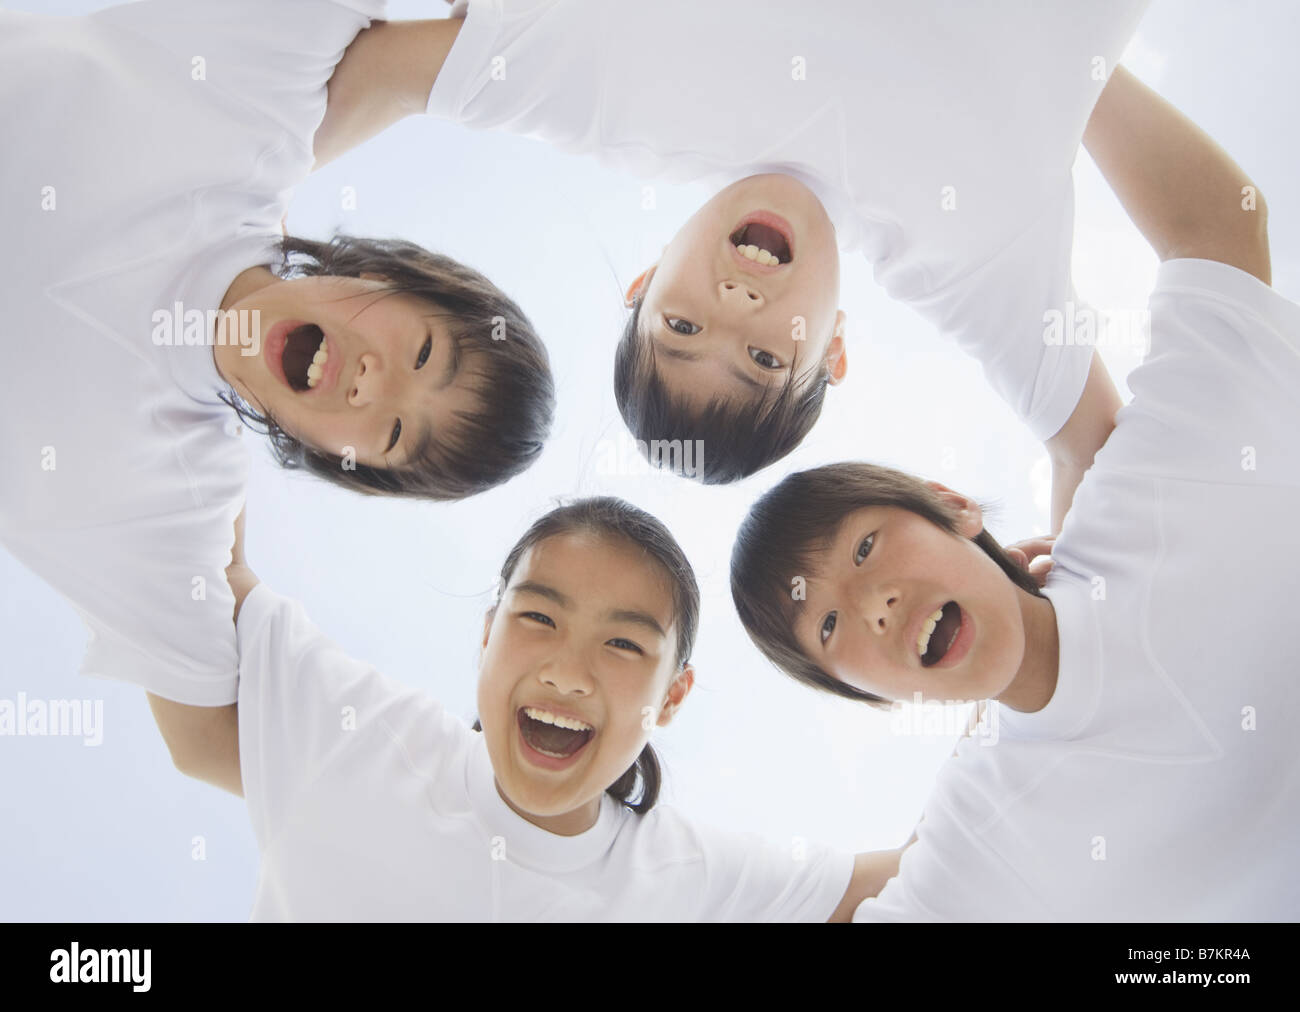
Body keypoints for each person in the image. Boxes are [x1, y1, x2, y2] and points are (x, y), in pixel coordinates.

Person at [729, 66, 1298, 919]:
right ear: (869, 694)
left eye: (866, 549)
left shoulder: (1137, 500)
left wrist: (1063, 56)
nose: (876, 602)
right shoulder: (976, 842)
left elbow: (1219, 230)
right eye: (832, 626)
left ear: (951, 503)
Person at [0, 1, 553, 709]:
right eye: (420, 352)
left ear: (333, 455)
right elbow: (429, 61)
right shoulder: (245, 112)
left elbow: (211, 739)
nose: (370, 386)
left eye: (390, 434)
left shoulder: (171, 505)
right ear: (386, 280)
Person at [424, 0, 1147, 516]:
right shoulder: (961, 260)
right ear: (832, 351)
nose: (737, 307)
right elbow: (1097, 458)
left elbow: (405, 73)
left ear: (643, 283)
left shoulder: (630, 91)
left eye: (682, 329)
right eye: (766, 361)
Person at [149, 499, 902, 920]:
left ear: (672, 698)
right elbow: (191, 556)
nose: (568, 673)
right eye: (539, 620)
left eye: (623, 646)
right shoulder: (364, 739)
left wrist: (1012, 637)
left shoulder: (690, 876)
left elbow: (919, 881)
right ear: (486, 635)